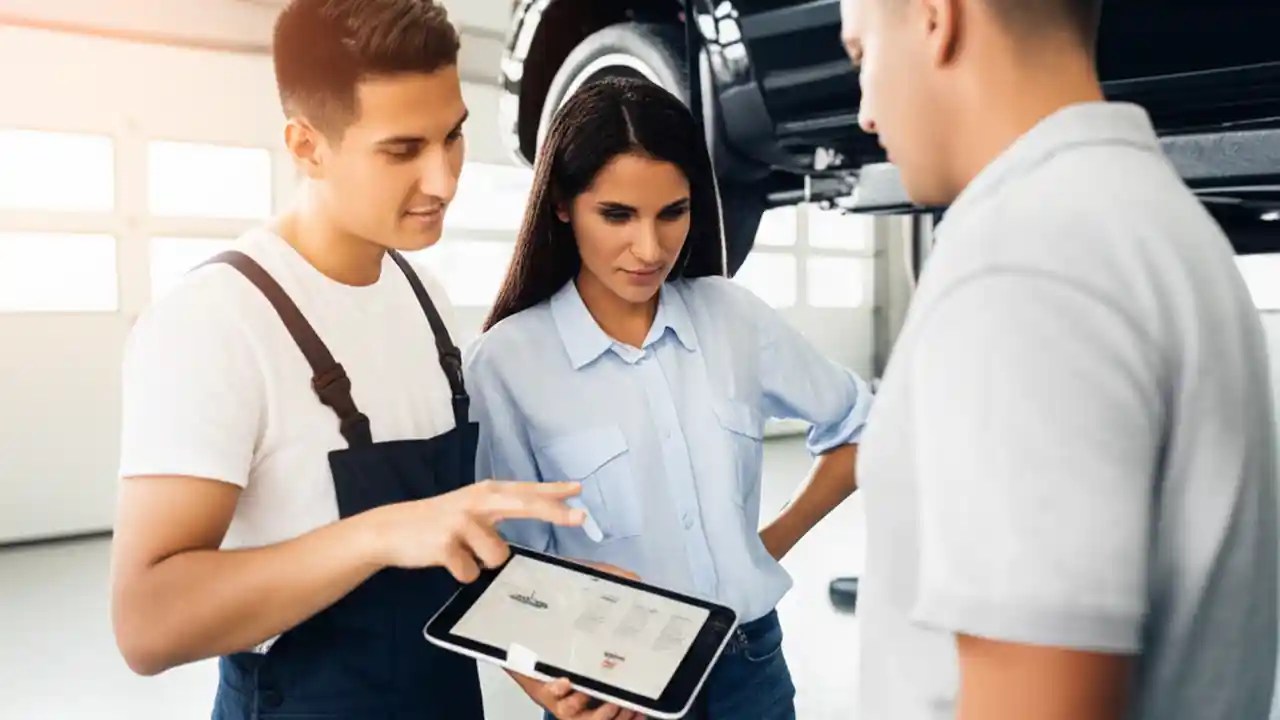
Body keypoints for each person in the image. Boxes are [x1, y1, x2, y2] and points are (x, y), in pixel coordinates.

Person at [109, 2, 587, 718]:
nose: (444, 180)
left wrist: (536, 641)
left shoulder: (423, 294)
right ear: (306, 146)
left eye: (453, 135)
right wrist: (378, 534)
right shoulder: (213, 321)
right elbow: (147, 625)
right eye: (401, 150)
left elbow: (445, 548)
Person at [840, 0, 1278, 718]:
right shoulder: (1155, 223)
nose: (864, 112)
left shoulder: (1023, 262)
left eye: (862, 56)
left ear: (934, 18)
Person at [464, 77, 875, 720]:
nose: (650, 249)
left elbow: (860, 422)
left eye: (672, 213)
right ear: (563, 204)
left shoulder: (732, 318)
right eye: (618, 215)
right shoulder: (506, 363)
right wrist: (542, 683)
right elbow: (501, 560)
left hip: (750, 670)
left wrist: (762, 547)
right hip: (609, 680)